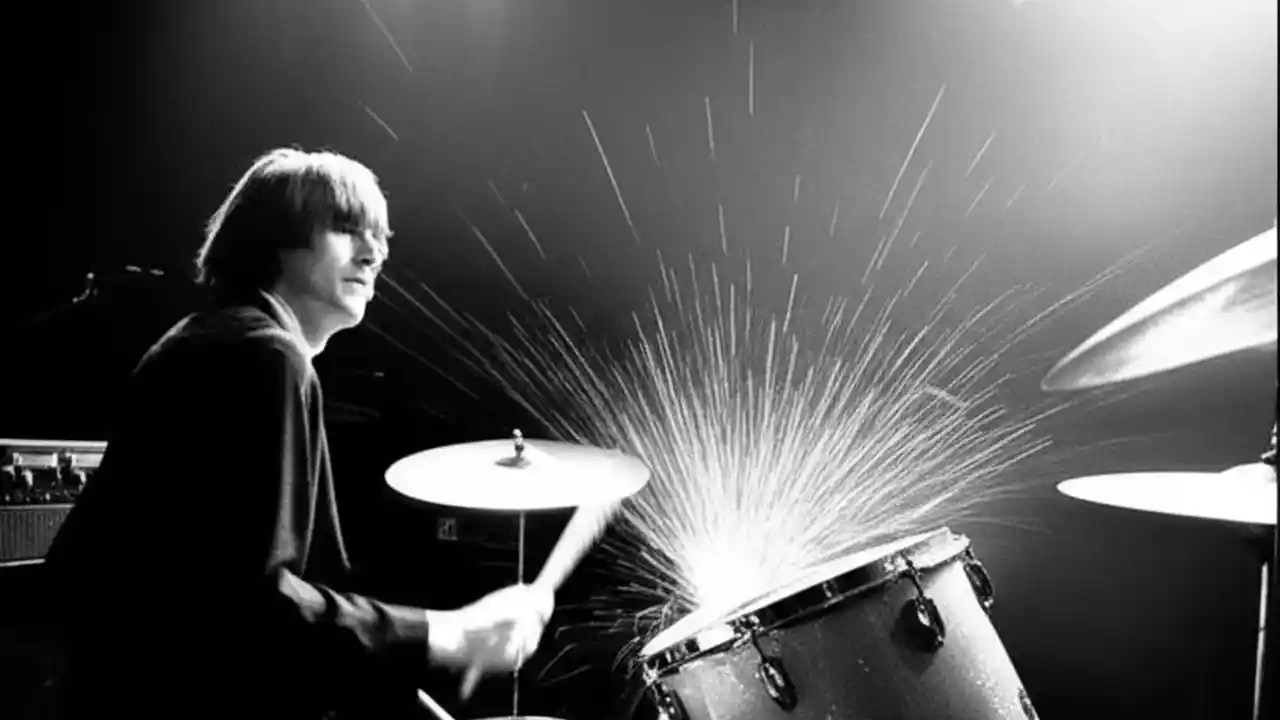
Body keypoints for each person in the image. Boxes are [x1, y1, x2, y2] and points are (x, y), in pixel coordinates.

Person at [37, 147, 554, 718]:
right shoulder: (263, 355)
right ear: (274, 241)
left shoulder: (209, 339)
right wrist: (451, 633)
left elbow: (222, 591)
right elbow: (255, 609)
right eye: (347, 228)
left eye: (381, 237)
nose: (376, 253)